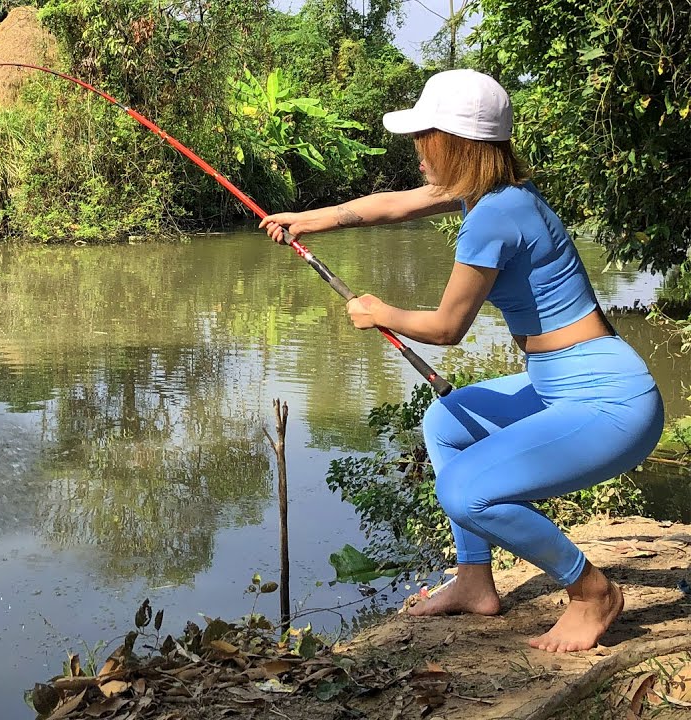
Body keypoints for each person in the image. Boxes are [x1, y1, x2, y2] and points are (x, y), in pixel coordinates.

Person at [262, 69, 664, 653]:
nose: (419, 153)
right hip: (564, 384)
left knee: (467, 492)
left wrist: (380, 311)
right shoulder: (498, 193)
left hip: (610, 404)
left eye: (426, 138)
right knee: (446, 423)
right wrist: (312, 219)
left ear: (457, 144)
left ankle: (591, 592)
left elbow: (448, 328)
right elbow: (396, 205)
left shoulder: (491, 217)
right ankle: (475, 581)